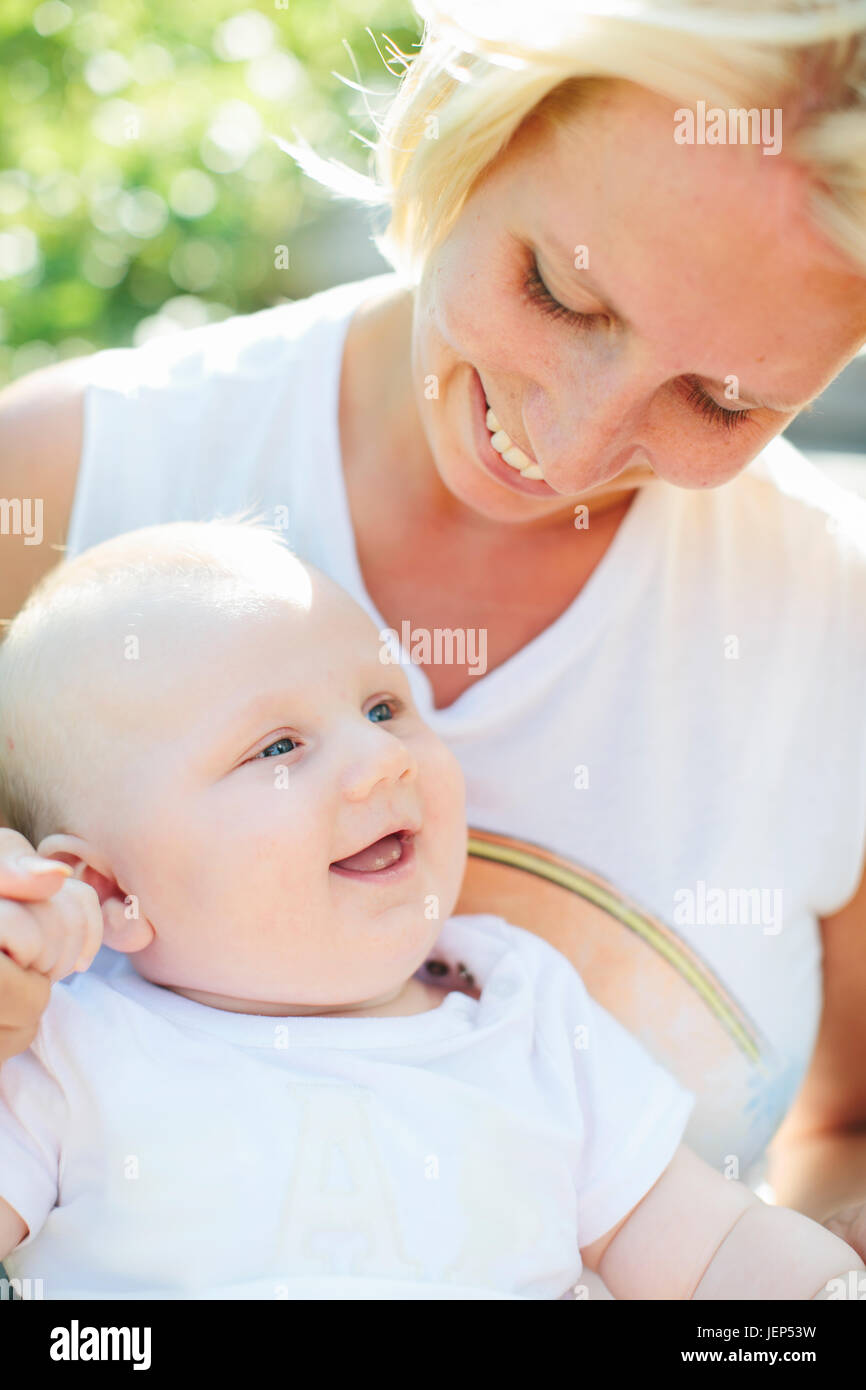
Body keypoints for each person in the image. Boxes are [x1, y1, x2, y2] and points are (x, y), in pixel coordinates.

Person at [1, 2, 866, 1283]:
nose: (568, 449)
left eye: (724, 400)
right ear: (471, 124)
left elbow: (836, 1145)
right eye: (560, 291)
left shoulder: (828, 624)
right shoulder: (56, 487)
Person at [0, 517, 862, 1301]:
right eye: (279, 747)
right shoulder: (69, 1050)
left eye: (383, 706)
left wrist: (819, 1289)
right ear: (111, 891)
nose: (382, 757)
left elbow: (705, 1246)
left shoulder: (524, 1012)